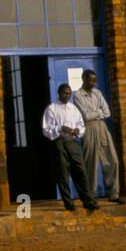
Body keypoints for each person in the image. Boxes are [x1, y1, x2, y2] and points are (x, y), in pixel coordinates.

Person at [41, 83, 97, 213]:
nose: (67, 96)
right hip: (59, 142)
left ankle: (88, 201)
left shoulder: (73, 108)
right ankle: (68, 202)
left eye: (69, 93)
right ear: (59, 93)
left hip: (72, 142)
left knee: (80, 171)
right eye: (64, 93)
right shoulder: (52, 109)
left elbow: (81, 124)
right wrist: (60, 128)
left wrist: (78, 130)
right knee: (62, 172)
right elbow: (46, 129)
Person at [71, 69, 124, 204]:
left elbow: (107, 112)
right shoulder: (78, 95)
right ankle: (91, 196)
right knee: (91, 162)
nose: (94, 83)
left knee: (112, 159)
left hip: (102, 127)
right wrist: (97, 112)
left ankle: (113, 194)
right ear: (84, 79)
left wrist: (95, 113)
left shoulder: (98, 93)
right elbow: (85, 116)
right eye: (91, 80)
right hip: (88, 129)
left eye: (95, 80)